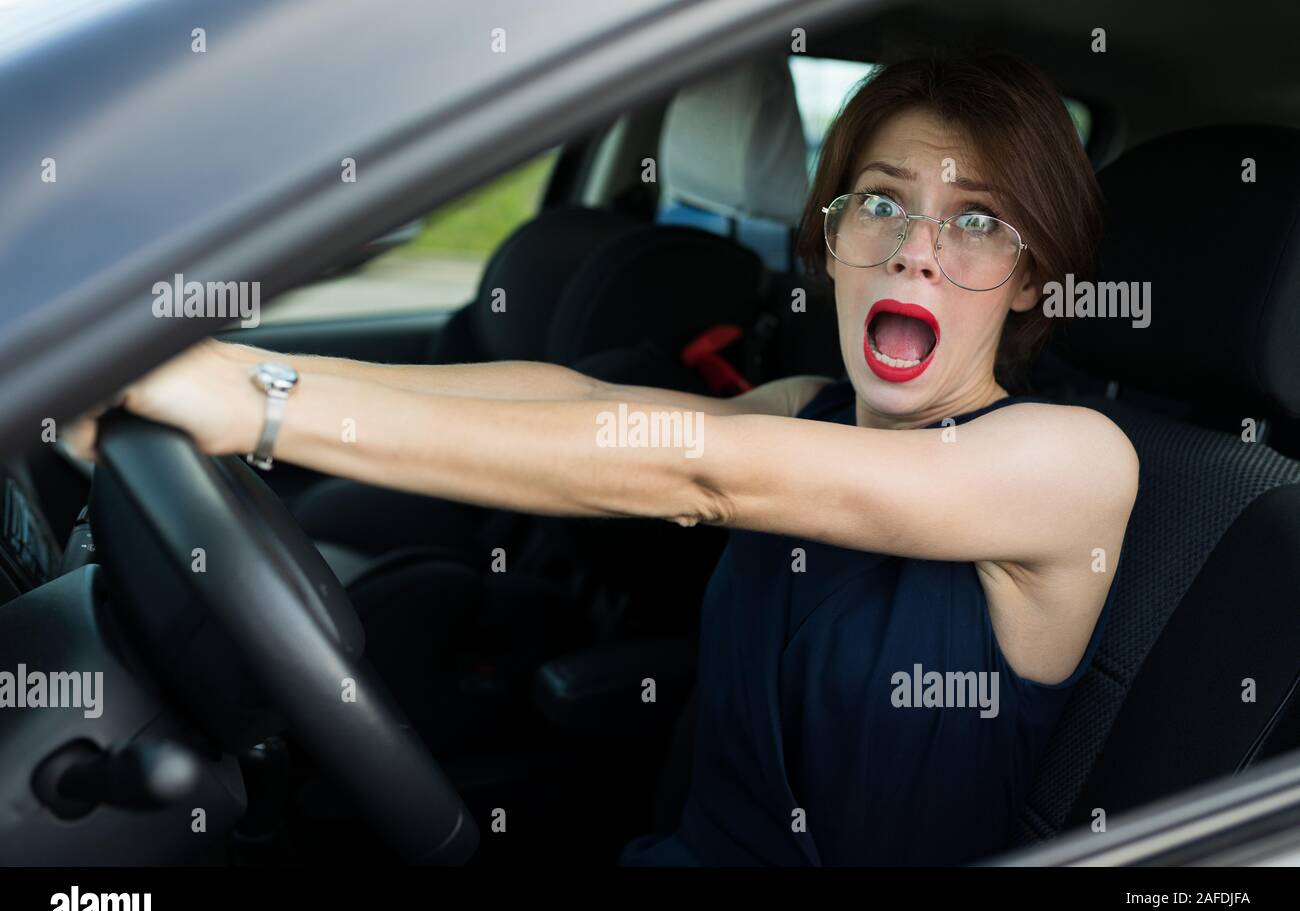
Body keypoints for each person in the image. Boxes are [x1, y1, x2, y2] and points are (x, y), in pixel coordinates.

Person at [69, 51, 1137, 866]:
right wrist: (226, 372)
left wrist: (261, 406)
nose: (915, 246)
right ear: (834, 228)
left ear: (1037, 277)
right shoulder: (803, 409)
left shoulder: (1071, 464)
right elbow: (585, 403)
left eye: (978, 221)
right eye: (883, 199)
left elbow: (701, 466)